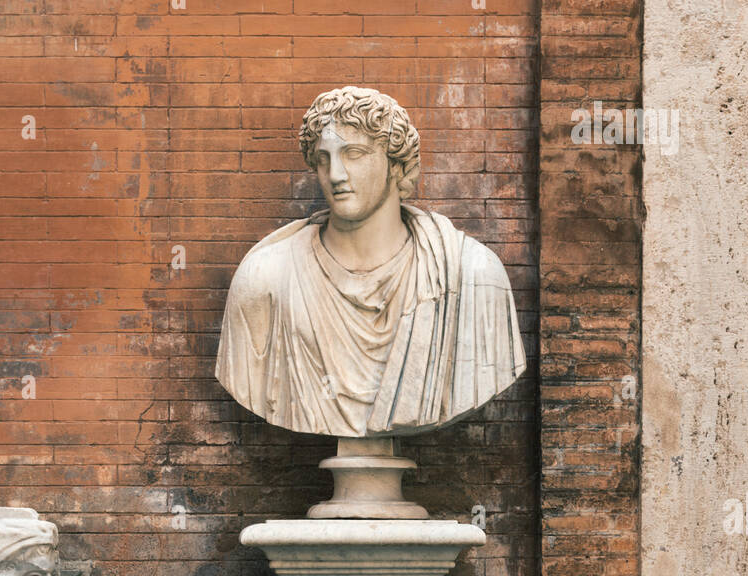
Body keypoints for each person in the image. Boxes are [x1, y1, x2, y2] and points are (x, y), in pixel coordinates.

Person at [216, 85, 526, 438]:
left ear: (397, 164)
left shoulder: (473, 278)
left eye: (354, 153)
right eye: (323, 159)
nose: (335, 175)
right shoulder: (265, 280)